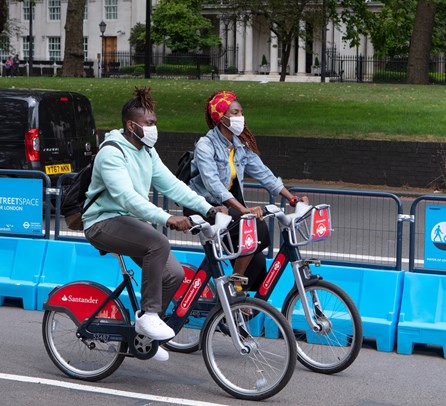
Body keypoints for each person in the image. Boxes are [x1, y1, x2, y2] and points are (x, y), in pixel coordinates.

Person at [82, 87, 222, 362]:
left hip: (130, 223)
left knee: (174, 275)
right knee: (159, 242)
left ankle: (145, 334)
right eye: (149, 123)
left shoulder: (147, 152)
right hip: (102, 222)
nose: (154, 128)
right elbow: (127, 198)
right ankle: (149, 315)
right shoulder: (111, 153)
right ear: (131, 125)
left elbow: (171, 184)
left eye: (154, 122)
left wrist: (208, 208)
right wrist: (168, 218)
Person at [188, 90, 306, 291]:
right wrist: (243, 210)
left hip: (230, 207)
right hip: (206, 206)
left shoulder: (240, 145)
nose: (240, 117)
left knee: (257, 264)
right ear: (221, 117)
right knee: (257, 230)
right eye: (234, 113)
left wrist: (293, 199)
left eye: (241, 112)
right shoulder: (205, 145)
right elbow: (213, 185)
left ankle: (239, 307)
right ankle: (233, 285)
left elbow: (264, 174)